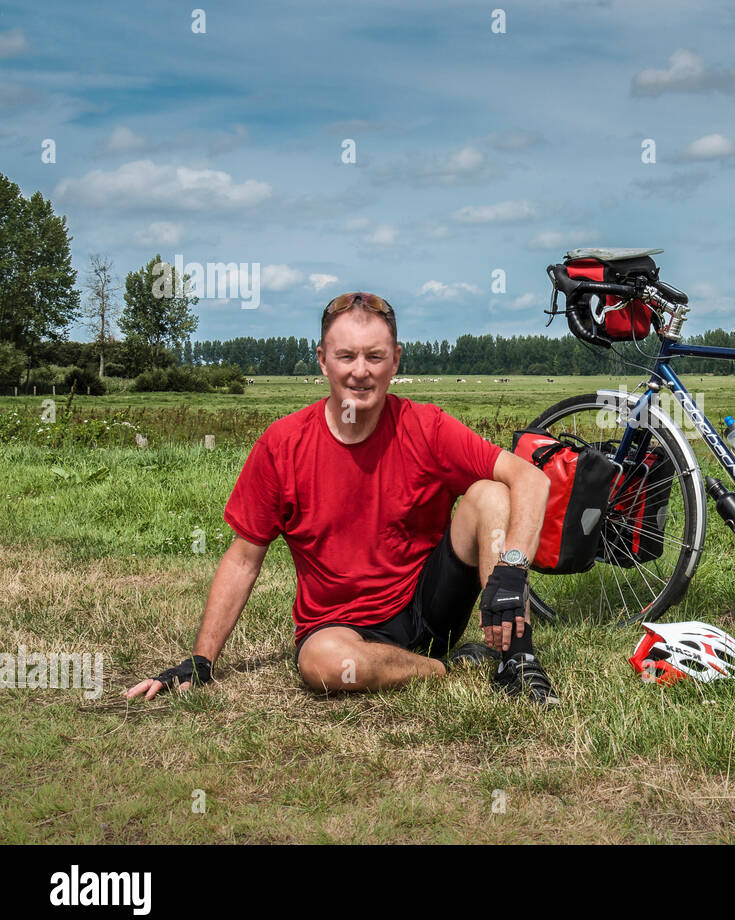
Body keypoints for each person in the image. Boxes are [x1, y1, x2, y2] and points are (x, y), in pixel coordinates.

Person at [124, 291, 558, 704]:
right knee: (323, 664)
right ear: (322, 360)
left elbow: (531, 480)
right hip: (340, 629)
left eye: (374, 356)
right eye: (346, 356)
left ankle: (516, 660)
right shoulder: (282, 445)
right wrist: (201, 661)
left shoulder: (426, 426)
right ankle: (443, 669)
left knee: (490, 493)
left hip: (429, 607)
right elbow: (243, 559)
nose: (360, 371)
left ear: (396, 361)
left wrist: (513, 567)